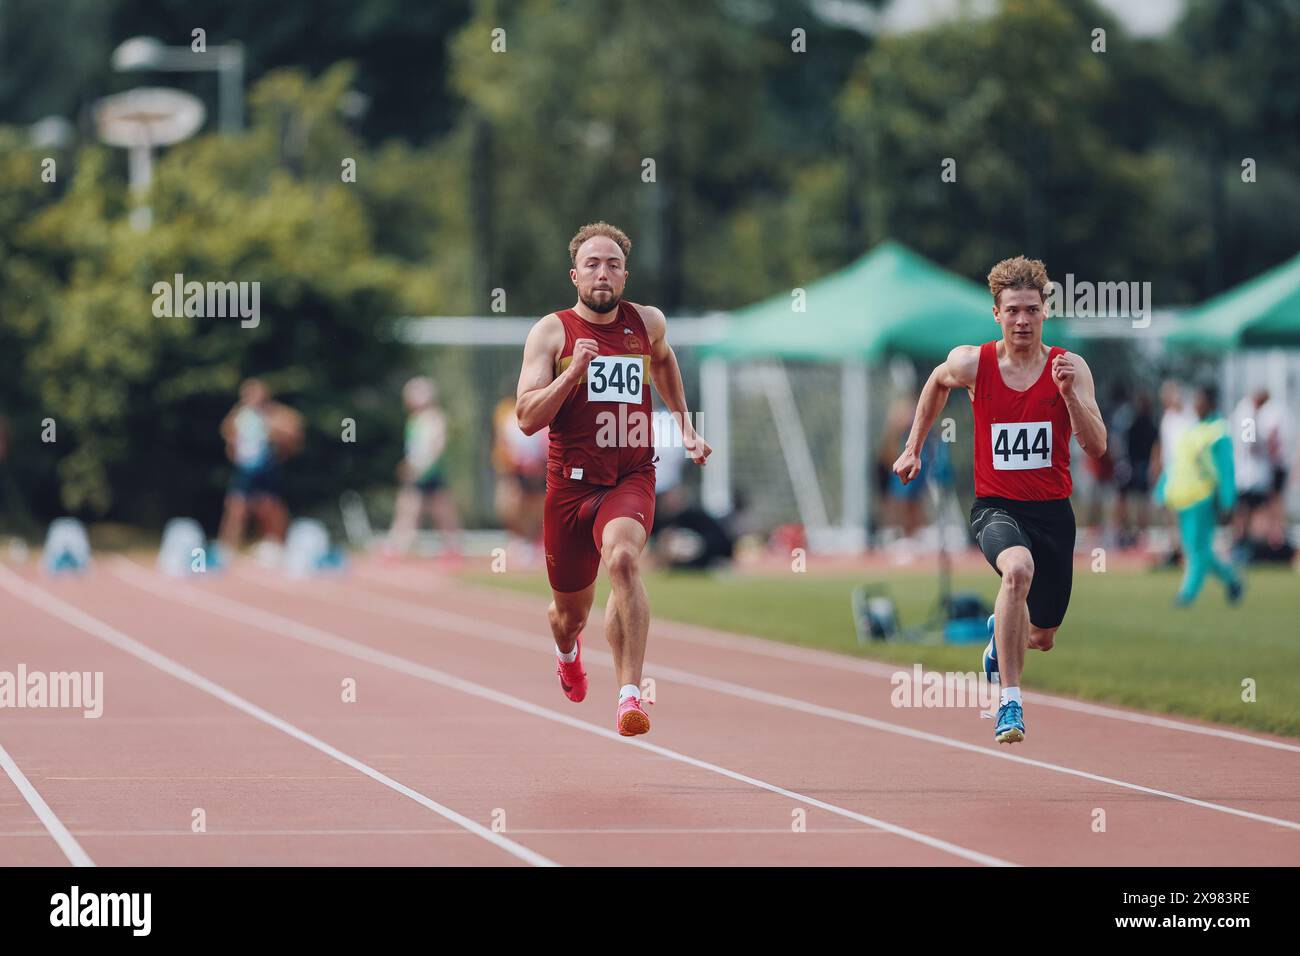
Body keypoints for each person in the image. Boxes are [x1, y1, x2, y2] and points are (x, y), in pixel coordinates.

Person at [892, 256, 1106, 744]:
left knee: (1042, 637)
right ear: (996, 313)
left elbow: (1096, 446)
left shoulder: (1070, 368)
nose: (1022, 321)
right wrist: (913, 447)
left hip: (1053, 512)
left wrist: (1070, 396)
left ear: (1045, 311)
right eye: (1012, 311)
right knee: (1017, 570)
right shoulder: (975, 362)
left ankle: (999, 635)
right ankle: (1009, 704)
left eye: (1031, 310)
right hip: (996, 508)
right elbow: (936, 381)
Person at [515, 221, 710, 736]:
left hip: (629, 477)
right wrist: (572, 372)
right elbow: (527, 417)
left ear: (626, 275)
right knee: (569, 615)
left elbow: (664, 364)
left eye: (614, 264)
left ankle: (629, 695)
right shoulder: (552, 332)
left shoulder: (648, 324)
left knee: (623, 561)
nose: (603, 273)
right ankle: (566, 650)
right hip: (570, 489)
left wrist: (687, 427)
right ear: (574, 275)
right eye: (593, 265)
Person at [1155, 384, 1242, 606]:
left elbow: (1226, 470)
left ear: (1211, 403)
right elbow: (1177, 464)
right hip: (1183, 498)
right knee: (1197, 548)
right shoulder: (1191, 429)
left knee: (1196, 549)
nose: (1196, 405)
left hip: (1203, 498)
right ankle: (1231, 579)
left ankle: (1187, 595)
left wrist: (1227, 501)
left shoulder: (1218, 432)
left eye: (1200, 400)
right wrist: (1162, 489)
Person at [218, 378, 304, 553]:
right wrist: (232, 445)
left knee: (269, 507)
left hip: (266, 466)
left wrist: (274, 434)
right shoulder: (240, 414)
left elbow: (295, 432)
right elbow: (227, 431)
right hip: (245, 467)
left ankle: (280, 543)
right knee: (236, 506)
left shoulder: (275, 414)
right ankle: (227, 547)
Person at [385, 376, 462, 560]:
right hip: (419, 471)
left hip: (429, 472)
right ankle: (398, 546)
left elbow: (436, 445)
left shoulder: (435, 418)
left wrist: (419, 467)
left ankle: (452, 548)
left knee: (439, 512)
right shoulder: (415, 419)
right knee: (410, 509)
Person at [1151, 379, 1195, 566]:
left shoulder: (1189, 416)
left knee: (1183, 511)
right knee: (1166, 508)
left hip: (1184, 472)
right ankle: (1176, 547)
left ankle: (1185, 549)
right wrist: (1158, 467)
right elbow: (1163, 445)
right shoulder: (1167, 418)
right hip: (1170, 471)